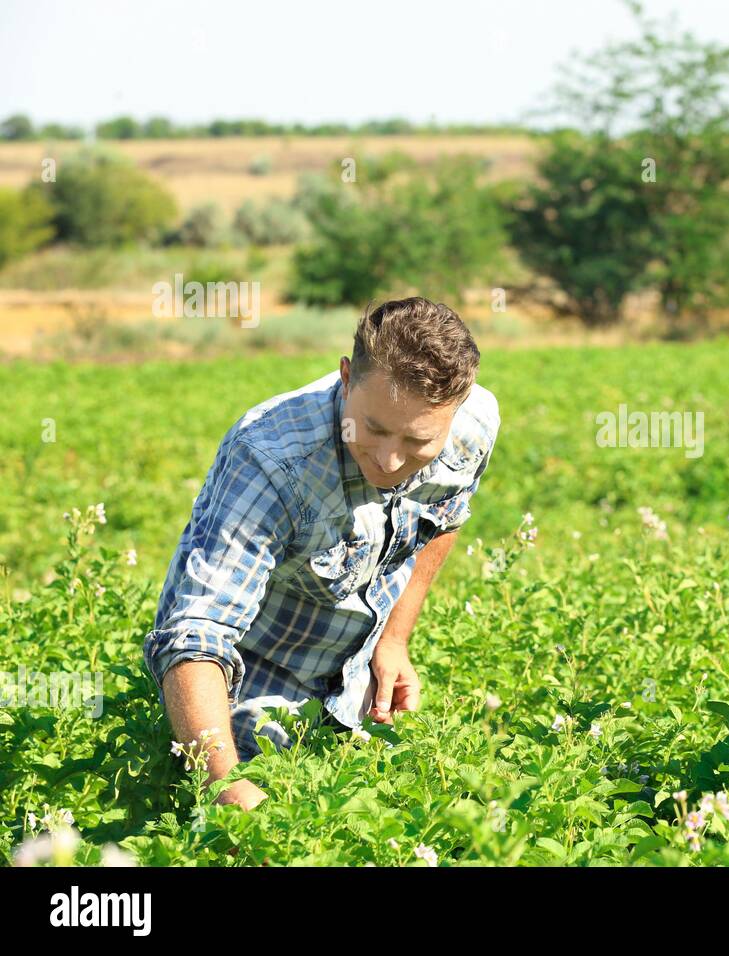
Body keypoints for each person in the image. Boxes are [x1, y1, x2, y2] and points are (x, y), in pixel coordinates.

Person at [143, 298, 499, 809]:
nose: (390, 459)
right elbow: (197, 633)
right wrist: (223, 786)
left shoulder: (474, 424)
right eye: (373, 428)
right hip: (255, 682)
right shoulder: (271, 458)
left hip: (360, 685)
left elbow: (445, 515)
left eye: (418, 441)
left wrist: (395, 638)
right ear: (347, 377)